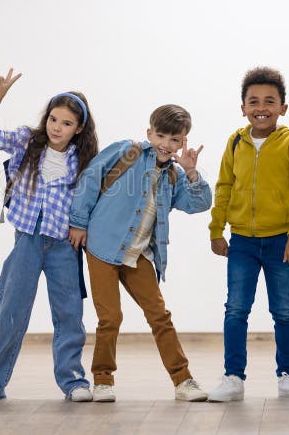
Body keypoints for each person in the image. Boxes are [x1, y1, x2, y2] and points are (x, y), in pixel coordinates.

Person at [0, 69, 99, 402]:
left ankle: (74, 382)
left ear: (78, 128)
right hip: (27, 239)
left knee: (69, 314)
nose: (57, 127)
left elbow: (91, 200)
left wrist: (81, 228)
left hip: (64, 246)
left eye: (66, 123)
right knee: (11, 309)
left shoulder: (86, 160)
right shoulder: (27, 140)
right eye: (53, 119)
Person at [69, 104, 212, 402]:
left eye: (174, 140)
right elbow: (90, 179)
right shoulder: (127, 152)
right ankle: (103, 379)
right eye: (160, 136)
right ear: (149, 133)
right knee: (111, 318)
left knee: (160, 316)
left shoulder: (176, 175)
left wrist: (191, 171)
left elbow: (198, 204)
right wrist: (79, 223)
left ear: (183, 141)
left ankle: (183, 381)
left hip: (139, 255)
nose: (166, 144)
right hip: (103, 248)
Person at [207, 67, 289, 402]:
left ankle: (287, 374)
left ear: (283, 107)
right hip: (241, 241)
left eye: (270, 100)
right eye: (253, 101)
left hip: (282, 241)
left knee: (284, 310)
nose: (261, 106)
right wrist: (216, 229)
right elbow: (224, 187)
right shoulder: (235, 142)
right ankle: (233, 377)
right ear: (242, 107)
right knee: (236, 308)